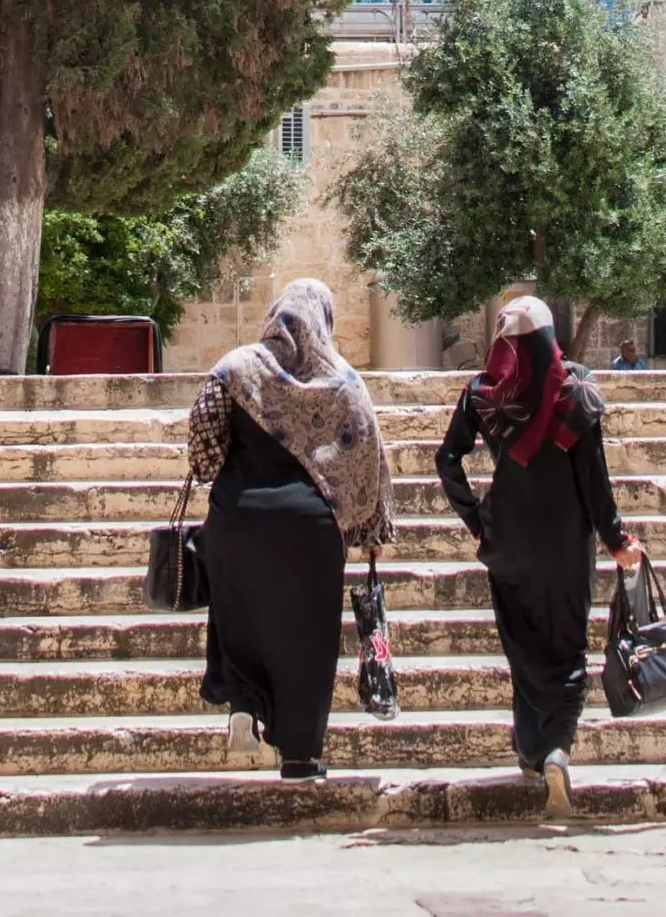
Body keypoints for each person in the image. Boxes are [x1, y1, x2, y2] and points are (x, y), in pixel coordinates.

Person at [435, 296, 642, 814]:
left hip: (507, 537)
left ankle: (531, 750)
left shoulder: (483, 392)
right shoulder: (575, 389)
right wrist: (616, 539)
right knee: (567, 649)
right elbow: (595, 479)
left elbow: (447, 460)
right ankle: (556, 751)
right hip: (565, 541)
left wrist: (476, 521)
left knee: (522, 644)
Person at [188, 277, 393, 782]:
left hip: (239, 521)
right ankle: (301, 755)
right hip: (311, 532)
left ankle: (243, 702)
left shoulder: (236, 369)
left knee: (240, 619)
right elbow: (368, 456)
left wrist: (226, 465)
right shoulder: (344, 382)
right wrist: (367, 530)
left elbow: (202, 443)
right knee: (307, 639)